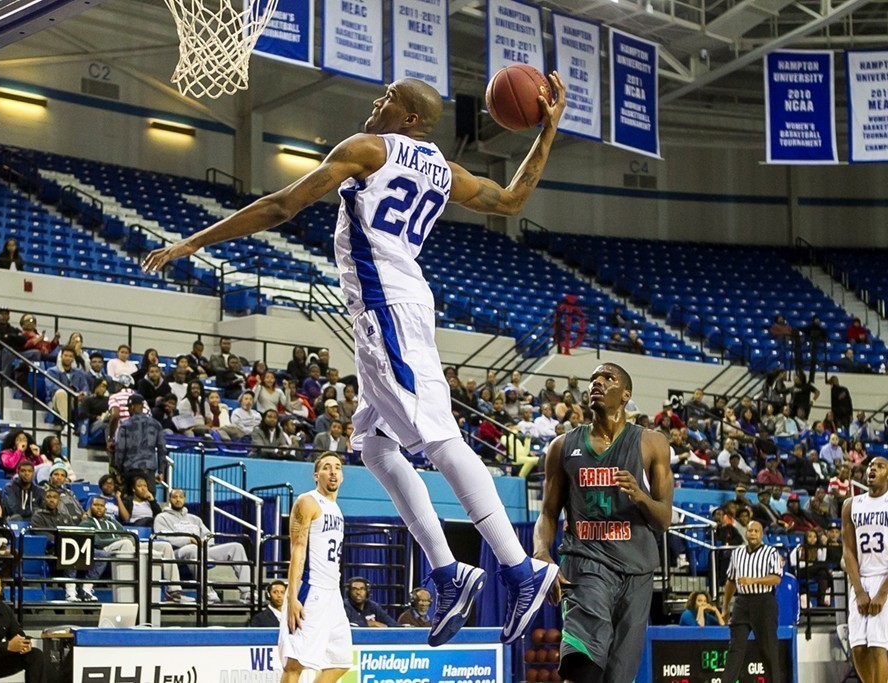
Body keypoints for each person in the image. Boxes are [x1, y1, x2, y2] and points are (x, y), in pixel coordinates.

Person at [145, 74, 567, 648]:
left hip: (386, 307)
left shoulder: (369, 148)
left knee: (440, 438)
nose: (376, 102)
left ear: (410, 118)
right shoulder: (445, 170)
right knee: (373, 446)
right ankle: (448, 573)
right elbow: (512, 200)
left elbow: (283, 204)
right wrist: (547, 130)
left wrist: (194, 241)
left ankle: (519, 570)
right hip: (392, 307)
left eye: (388, 97)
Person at [534, 363, 673, 683]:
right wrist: (541, 553)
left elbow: (664, 520)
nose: (597, 382)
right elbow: (548, 513)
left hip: (637, 568)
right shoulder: (562, 446)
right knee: (583, 667)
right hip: (585, 563)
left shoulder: (652, 443)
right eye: (593, 378)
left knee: (618, 675)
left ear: (626, 394)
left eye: (608, 378)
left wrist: (640, 496)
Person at [278, 453, 351, 682]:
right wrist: (292, 597)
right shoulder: (307, 501)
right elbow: (297, 549)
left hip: (333, 592)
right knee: (294, 664)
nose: (333, 471)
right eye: (327, 467)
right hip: (311, 589)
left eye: (337, 467)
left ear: (342, 476)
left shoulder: (336, 509)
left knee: (341, 662)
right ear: (316, 475)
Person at [153, 488, 252, 604]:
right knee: (192, 549)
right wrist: (189, 540)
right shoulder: (162, 518)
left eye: (181, 497)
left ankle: (247, 593)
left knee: (236, 547)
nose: (178, 500)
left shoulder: (195, 519)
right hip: (176, 553)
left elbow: (209, 536)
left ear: (184, 499)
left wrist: (204, 543)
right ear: (169, 499)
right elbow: (163, 538)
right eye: (175, 497)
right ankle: (208, 593)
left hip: (200, 549)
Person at [842, 456, 888, 683]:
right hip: (861, 579)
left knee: (878, 645)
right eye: (871, 466)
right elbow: (848, 549)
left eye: (880, 466)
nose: (873, 469)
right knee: (858, 646)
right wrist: (859, 590)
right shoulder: (851, 505)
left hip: (884, 576)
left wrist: (882, 593)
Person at [719, 521, 783, 683]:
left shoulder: (771, 552)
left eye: (756, 531)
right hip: (741, 603)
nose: (753, 534)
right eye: (750, 531)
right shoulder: (737, 553)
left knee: (768, 649)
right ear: (746, 533)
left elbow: (776, 579)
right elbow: (731, 581)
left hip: (764, 602)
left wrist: (753, 580)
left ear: (762, 534)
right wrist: (725, 607)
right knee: (735, 648)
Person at [112, 393, 167, 491]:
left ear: (132, 407)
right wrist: (161, 471)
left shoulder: (125, 425)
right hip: (149, 471)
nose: (128, 410)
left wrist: (119, 472)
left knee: (131, 499)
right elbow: (162, 449)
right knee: (149, 498)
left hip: (130, 471)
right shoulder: (156, 424)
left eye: (129, 407)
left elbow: (120, 449)